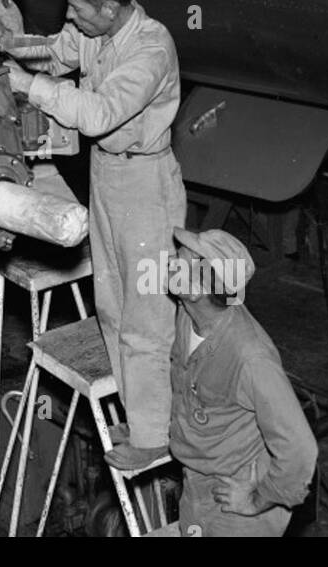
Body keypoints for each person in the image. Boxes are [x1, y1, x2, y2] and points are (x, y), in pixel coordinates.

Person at [4, 0, 183, 467]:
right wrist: (2, 44)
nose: (69, 16)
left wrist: (26, 85)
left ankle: (154, 440)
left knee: (145, 316)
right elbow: (55, 49)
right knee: (111, 304)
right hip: (106, 175)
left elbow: (101, 112)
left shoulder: (150, 49)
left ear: (110, 8)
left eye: (78, 8)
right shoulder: (93, 31)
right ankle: (139, 415)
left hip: (146, 185)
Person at [130, 228, 317, 536]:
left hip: (236, 498)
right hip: (198, 483)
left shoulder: (250, 357)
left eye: (180, 260)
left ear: (196, 290)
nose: (170, 261)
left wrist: (258, 499)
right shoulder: (188, 315)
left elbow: (300, 448)